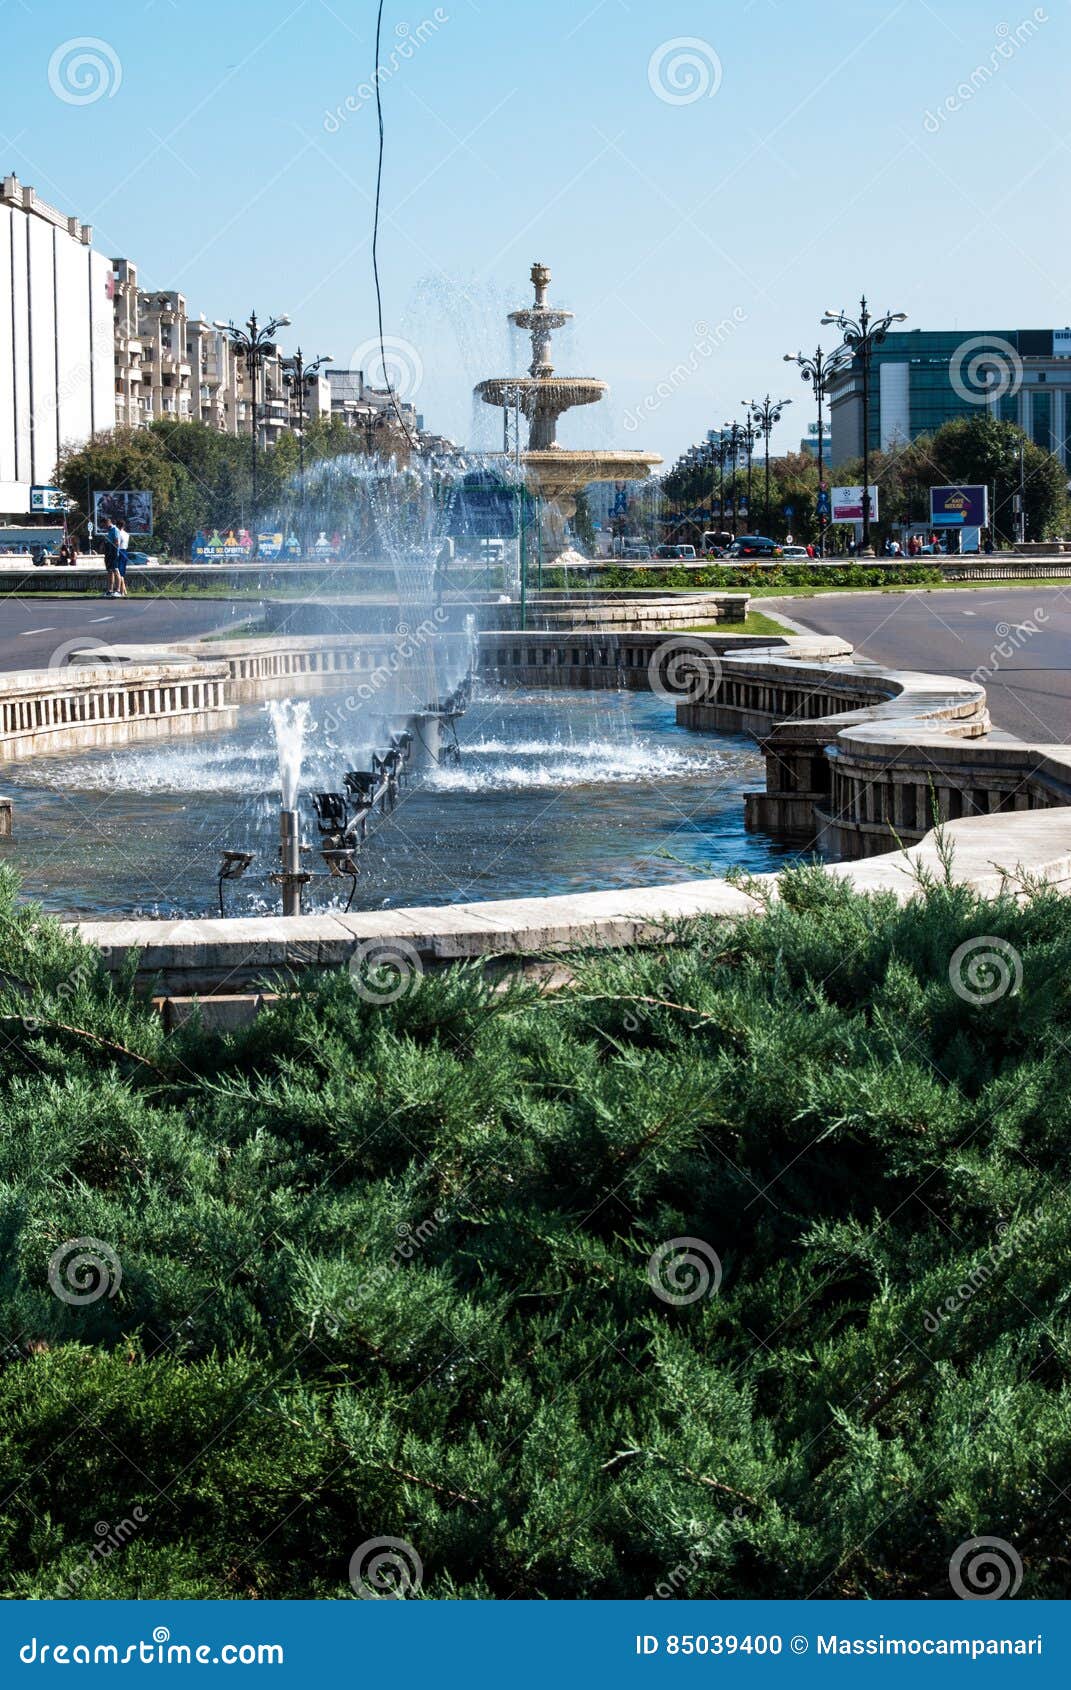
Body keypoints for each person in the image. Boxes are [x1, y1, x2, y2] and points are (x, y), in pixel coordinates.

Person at [103, 518, 120, 596]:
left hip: (114, 553)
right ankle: (110, 590)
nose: (104, 527)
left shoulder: (115, 529)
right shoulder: (109, 530)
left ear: (108, 523)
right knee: (110, 571)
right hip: (109, 553)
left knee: (115, 570)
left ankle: (118, 590)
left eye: (104, 525)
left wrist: (114, 552)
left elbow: (117, 542)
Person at [115, 523, 130, 598]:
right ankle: (124, 590)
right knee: (122, 572)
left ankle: (121, 591)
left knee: (119, 572)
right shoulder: (127, 534)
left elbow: (117, 544)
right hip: (125, 552)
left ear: (118, 526)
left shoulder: (118, 534)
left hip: (119, 552)